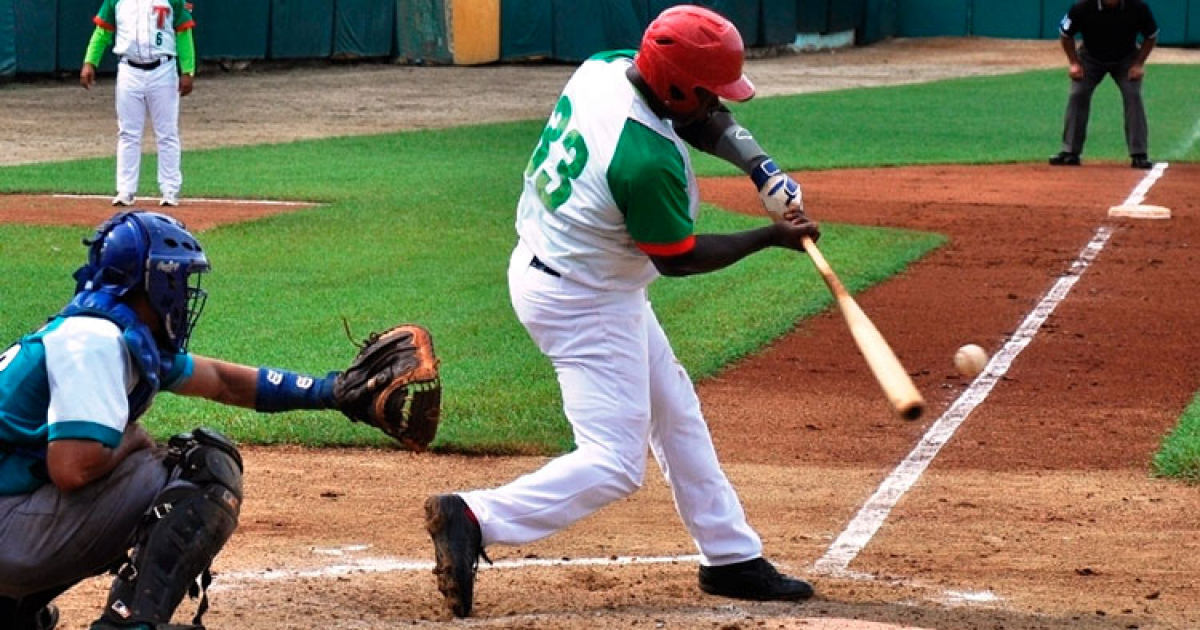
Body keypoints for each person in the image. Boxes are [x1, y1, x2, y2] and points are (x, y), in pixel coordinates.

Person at [423, 5, 820, 618]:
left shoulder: (607, 68)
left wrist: (760, 167)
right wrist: (771, 237)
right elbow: (678, 257)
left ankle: (730, 557)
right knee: (613, 462)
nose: (718, 102)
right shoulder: (644, 161)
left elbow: (697, 117)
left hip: (569, 272)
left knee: (675, 410)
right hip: (583, 302)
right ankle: (476, 516)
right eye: (709, 90)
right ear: (676, 87)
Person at [0, 211, 354, 629]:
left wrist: (331, 392)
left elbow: (223, 381)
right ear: (154, 283)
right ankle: (132, 622)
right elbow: (72, 468)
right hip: (8, 534)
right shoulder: (94, 343)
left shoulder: (103, 331)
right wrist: (131, 439)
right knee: (201, 468)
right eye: (180, 281)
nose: (184, 295)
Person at [79, 0, 197, 207]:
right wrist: (90, 62)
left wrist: (188, 70)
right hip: (129, 69)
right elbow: (102, 32)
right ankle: (125, 190)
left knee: (167, 132)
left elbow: (183, 33)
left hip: (163, 68)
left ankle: (170, 190)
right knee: (128, 132)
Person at [1049, 0, 1159, 169]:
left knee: (1133, 95)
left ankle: (1139, 154)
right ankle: (1070, 152)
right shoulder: (1082, 7)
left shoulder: (1137, 7)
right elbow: (1065, 34)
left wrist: (1138, 64)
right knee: (1078, 94)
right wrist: (1074, 62)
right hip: (1090, 58)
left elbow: (1151, 36)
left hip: (1126, 59)